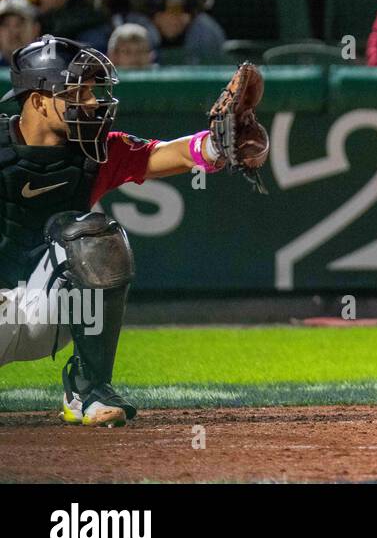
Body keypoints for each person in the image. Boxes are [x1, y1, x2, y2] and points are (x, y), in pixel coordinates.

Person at [0, 38, 267, 425]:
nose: (91, 102)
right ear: (39, 101)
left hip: (44, 313)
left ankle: (87, 388)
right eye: (78, 92)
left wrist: (217, 147)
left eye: (92, 91)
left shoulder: (95, 152)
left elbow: (166, 155)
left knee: (95, 238)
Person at [0, 0, 41, 64]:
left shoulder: (52, 68)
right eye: (5, 24)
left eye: (19, 24)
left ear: (35, 29)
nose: (13, 30)